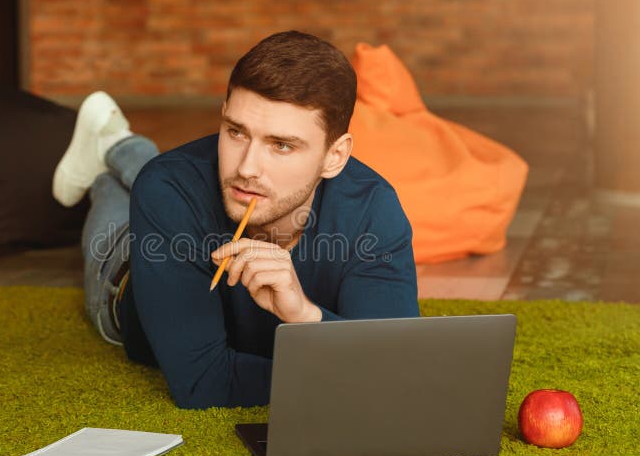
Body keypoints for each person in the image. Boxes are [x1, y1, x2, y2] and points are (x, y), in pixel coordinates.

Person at [52, 30, 419, 409]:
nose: (247, 168)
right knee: (122, 196)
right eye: (235, 132)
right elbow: (201, 382)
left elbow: (390, 366)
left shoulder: (374, 207)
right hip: (122, 270)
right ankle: (109, 156)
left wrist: (306, 317)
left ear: (335, 157)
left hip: (177, 200)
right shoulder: (166, 189)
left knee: (166, 177)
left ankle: (115, 144)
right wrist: (344, 371)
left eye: (281, 145)